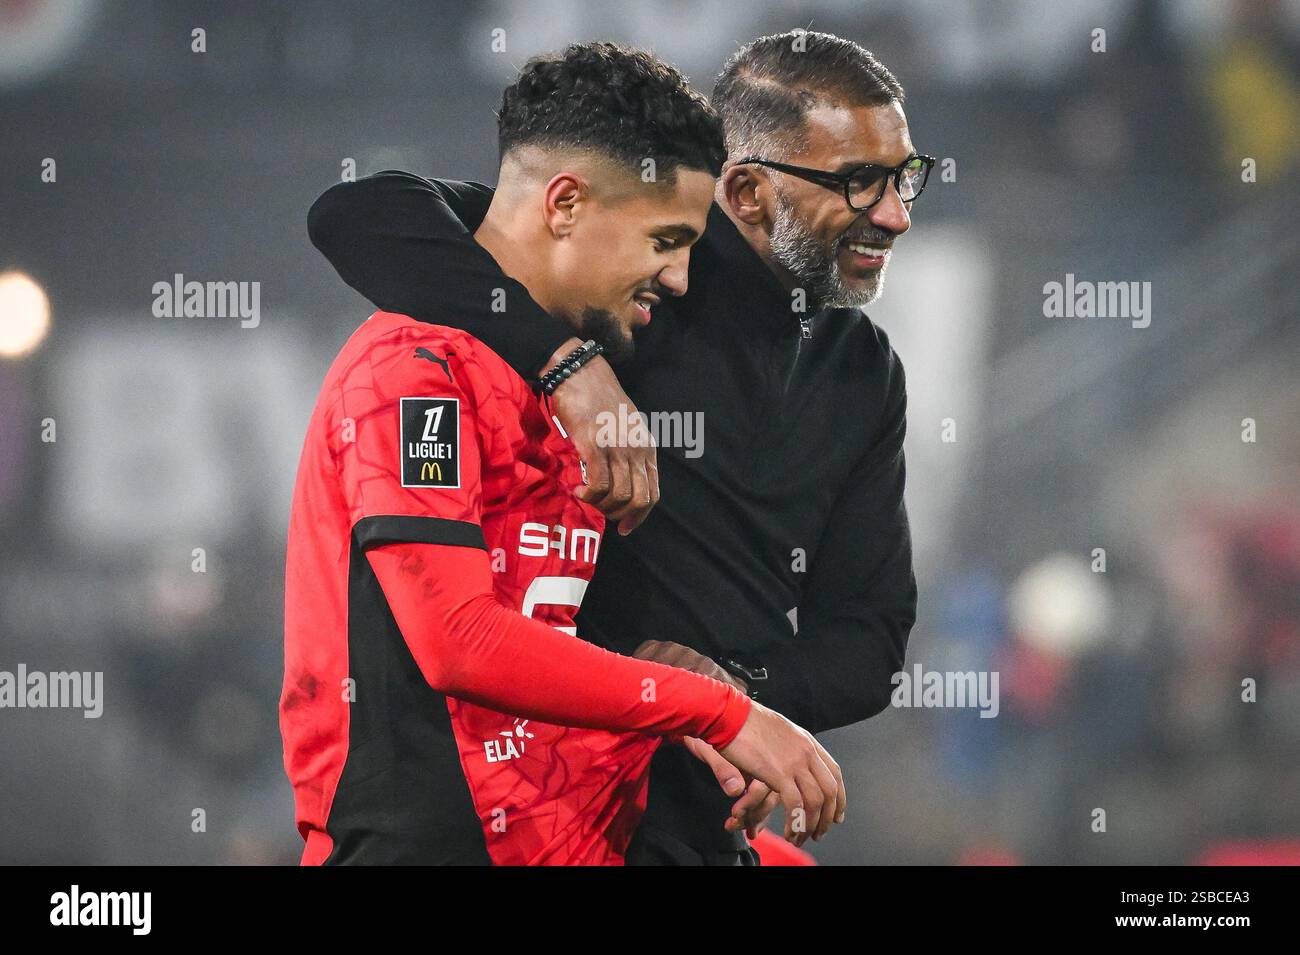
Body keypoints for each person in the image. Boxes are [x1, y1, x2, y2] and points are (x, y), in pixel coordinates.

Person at [309, 29, 917, 865]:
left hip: (681, 791)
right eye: (859, 182)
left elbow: (871, 635)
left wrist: (733, 693)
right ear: (745, 193)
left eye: (902, 177)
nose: (896, 213)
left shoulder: (865, 373)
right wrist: (569, 365)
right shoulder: (609, 284)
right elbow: (358, 210)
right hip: (533, 788)